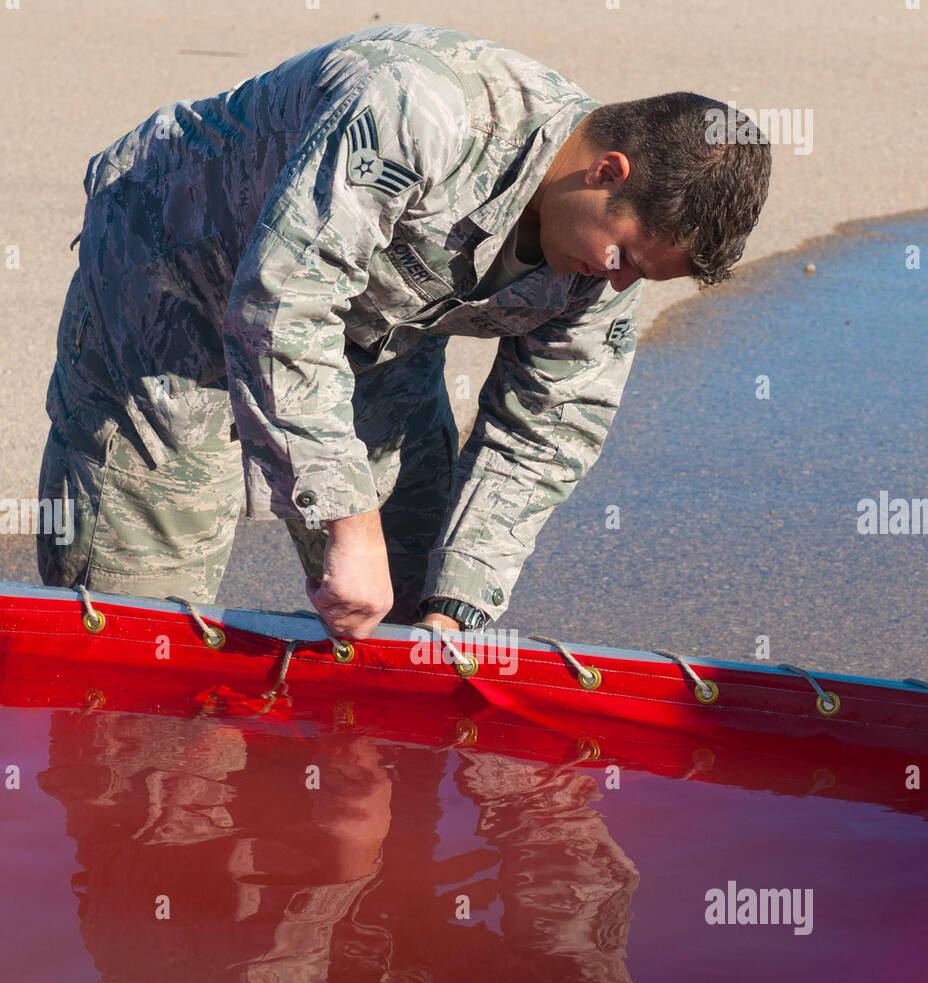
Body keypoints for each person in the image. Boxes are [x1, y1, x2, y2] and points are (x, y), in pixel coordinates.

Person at [37, 21, 770, 639]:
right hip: (174, 284)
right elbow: (283, 307)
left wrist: (457, 606)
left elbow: (548, 428)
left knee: (403, 605)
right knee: (138, 626)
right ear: (607, 171)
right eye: (625, 260)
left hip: (376, 329)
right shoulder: (419, 111)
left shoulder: (610, 256)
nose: (617, 286)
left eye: (642, 277)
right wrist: (346, 522)